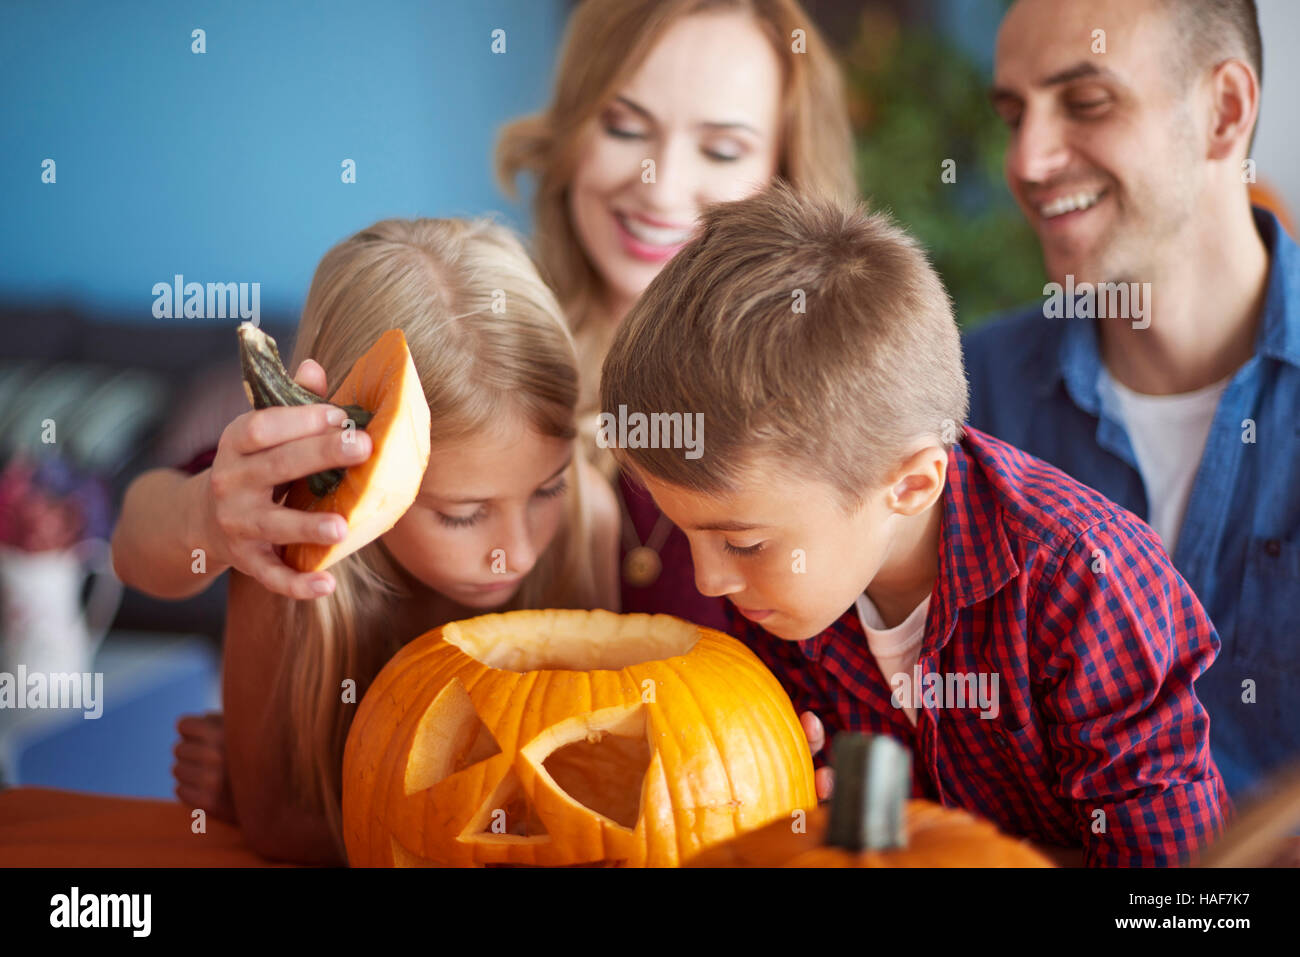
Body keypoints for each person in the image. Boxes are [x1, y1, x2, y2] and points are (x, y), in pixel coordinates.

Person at [599, 182, 1229, 867]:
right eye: (686, 532)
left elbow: (1183, 896)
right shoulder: (783, 598)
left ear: (910, 482)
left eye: (742, 542)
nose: (710, 578)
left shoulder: (1085, 581)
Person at [111, 218, 620, 863]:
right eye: (463, 514)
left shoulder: (589, 518)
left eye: (547, 489)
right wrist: (204, 521)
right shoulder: (286, 550)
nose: (515, 552)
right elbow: (133, 539)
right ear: (347, 473)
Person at [965, 0, 1298, 801]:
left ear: (1224, 112)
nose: (1027, 160)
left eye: (1086, 103)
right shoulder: (960, 404)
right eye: (1014, 114)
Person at [497, 0, 856, 630]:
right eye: (625, 128)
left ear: (787, 174)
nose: (659, 187)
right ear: (571, 135)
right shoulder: (476, 358)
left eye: (721, 150)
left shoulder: (843, 408)